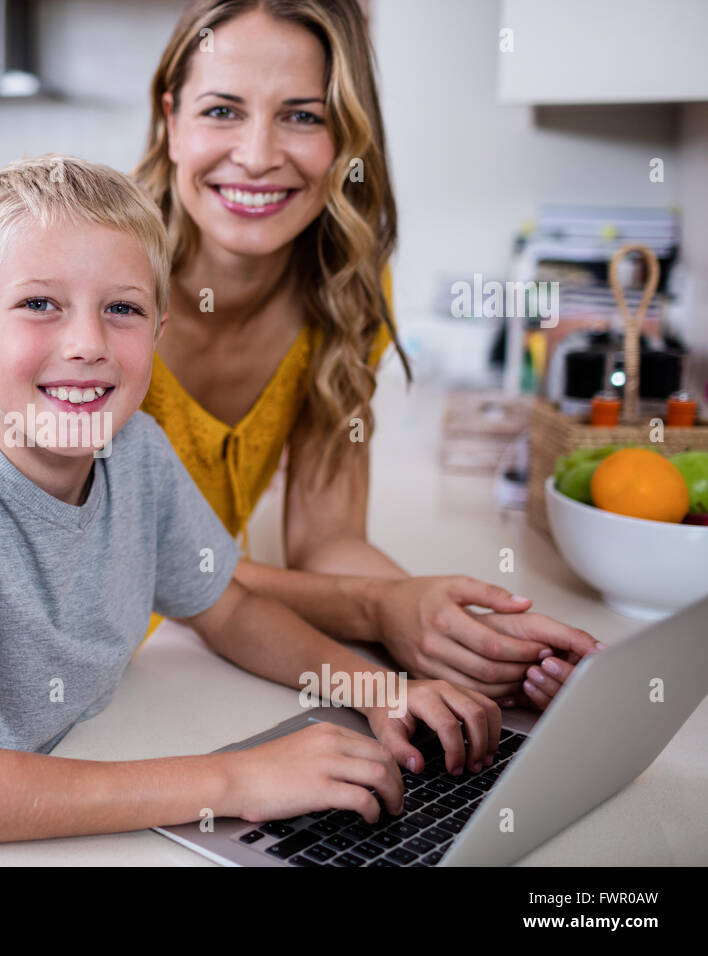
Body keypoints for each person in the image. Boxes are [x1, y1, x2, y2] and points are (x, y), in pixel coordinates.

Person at [0, 155, 544, 866]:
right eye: (40, 304)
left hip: (107, 829)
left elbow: (226, 607)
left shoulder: (137, 452)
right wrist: (235, 779)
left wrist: (375, 689)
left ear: (156, 333)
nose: (87, 344)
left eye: (122, 309)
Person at [124, 0, 597, 709]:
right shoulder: (99, 281)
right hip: (55, 684)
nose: (256, 155)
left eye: (303, 116)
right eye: (222, 110)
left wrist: (448, 626)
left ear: (347, 136)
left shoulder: (344, 290)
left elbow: (329, 541)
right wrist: (381, 608)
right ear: (172, 118)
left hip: (194, 668)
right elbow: (138, 568)